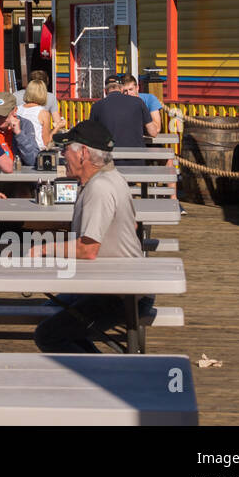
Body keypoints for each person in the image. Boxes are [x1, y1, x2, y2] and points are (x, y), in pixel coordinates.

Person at [32, 120, 147, 353]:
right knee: (49, 313)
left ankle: (99, 378)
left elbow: (88, 249)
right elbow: (131, 225)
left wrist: (43, 249)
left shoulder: (99, 187)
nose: (63, 155)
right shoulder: (111, 178)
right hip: (121, 284)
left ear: (83, 153)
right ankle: (95, 368)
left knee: (48, 334)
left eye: (66, 149)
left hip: (121, 294)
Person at [90, 75, 160, 158]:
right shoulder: (139, 102)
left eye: (131, 89)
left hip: (109, 159)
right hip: (136, 158)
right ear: (121, 89)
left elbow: (92, 136)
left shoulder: (96, 106)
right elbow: (153, 132)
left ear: (105, 91)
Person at [0, 92, 41, 168]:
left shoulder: (25, 125)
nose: (0, 119)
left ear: (15, 110)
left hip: (17, 177)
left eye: (4, 115)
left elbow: (33, 160)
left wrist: (19, 134)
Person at [16, 80, 53, 149]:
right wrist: (57, 128)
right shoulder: (43, 113)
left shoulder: (17, 109)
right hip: (35, 150)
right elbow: (46, 141)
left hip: (18, 148)